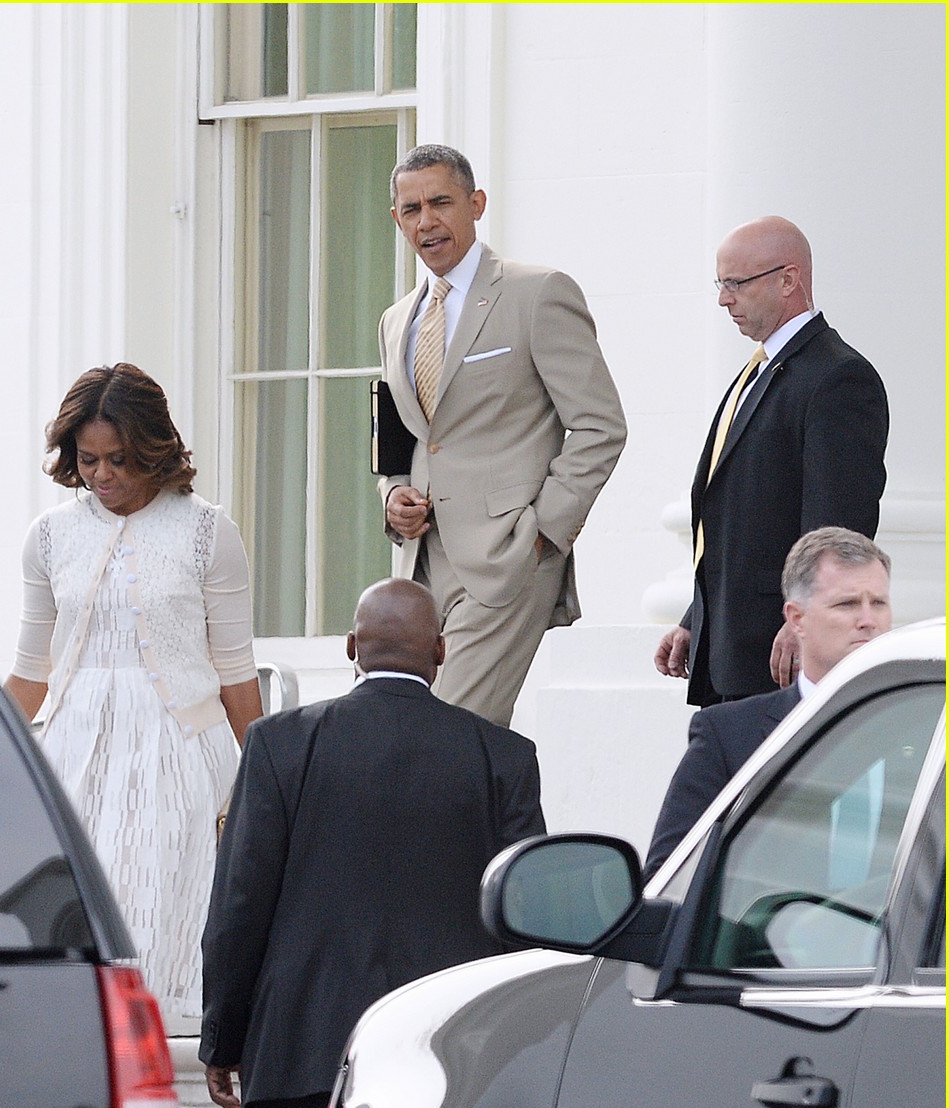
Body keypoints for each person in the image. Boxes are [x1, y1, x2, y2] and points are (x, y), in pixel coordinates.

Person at [199, 578, 546, 1108]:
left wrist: (223, 1037)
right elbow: (526, 920)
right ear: (440, 651)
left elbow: (239, 906)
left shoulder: (279, 744)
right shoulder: (504, 756)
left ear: (351, 646)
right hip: (447, 1058)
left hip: (299, 1053)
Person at [4, 363, 263, 1016]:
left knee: (163, 929)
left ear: (152, 449)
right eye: (87, 460)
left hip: (178, 754)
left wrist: (263, 779)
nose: (102, 475)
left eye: (118, 459)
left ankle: (165, 1085)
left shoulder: (207, 531)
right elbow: (32, 672)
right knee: (80, 924)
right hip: (74, 757)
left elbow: (236, 671)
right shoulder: (51, 536)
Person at [378, 143, 627, 727]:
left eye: (441, 202)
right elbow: (399, 440)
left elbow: (600, 425)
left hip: (506, 557)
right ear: (397, 220)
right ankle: (509, 822)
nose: (426, 220)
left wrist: (542, 533)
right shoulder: (396, 320)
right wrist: (392, 497)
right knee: (413, 742)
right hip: (418, 569)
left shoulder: (538, 292)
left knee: (447, 736)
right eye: (411, 209)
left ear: (476, 204)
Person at [654, 216, 888, 707]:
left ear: (788, 279)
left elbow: (838, 527)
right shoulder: (758, 371)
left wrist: (807, 621)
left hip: (780, 662)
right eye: (720, 283)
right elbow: (735, 523)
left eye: (736, 283)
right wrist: (696, 619)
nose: (724, 299)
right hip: (732, 656)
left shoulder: (838, 377)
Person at [644, 527, 892, 879]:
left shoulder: (925, 724)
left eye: (878, 603)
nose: (868, 621)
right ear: (796, 619)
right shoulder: (728, 737)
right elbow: (669, 877)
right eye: (847, 604)